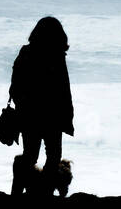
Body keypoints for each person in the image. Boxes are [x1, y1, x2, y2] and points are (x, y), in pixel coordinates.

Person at [8, 16, 74, 197]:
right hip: (52, 114)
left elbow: (15, 85)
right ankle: (44, 193)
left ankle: (19, 191)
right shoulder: (57, 56)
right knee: (53, 156)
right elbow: (63, 88)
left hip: (29, 114)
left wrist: (22, 104)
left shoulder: (26, 53)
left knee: (29, 154)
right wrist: (68, 115)